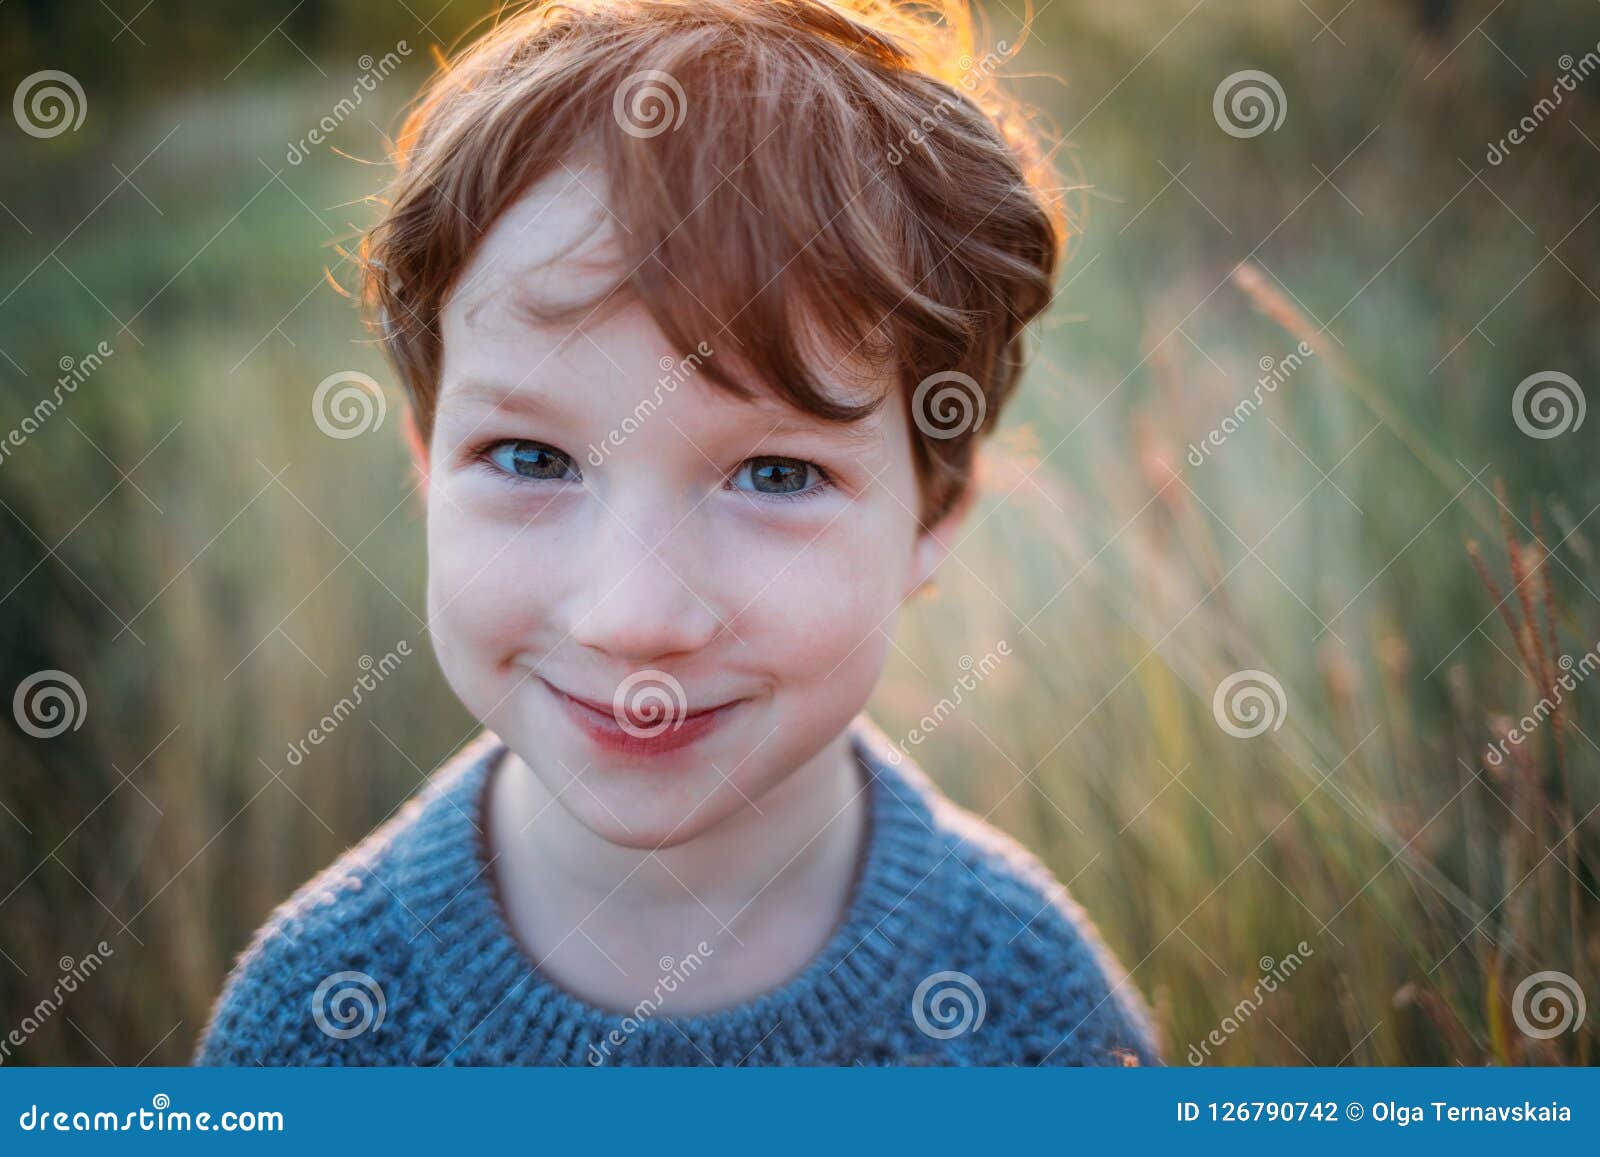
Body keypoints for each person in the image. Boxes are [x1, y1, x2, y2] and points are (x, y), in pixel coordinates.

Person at [194, 0, 1159, 1066]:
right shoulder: (315, 1023)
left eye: (776, 472)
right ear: (427, 464)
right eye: (530, 458)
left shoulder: (1033, 1008)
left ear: (933, 517)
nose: (634, 618)